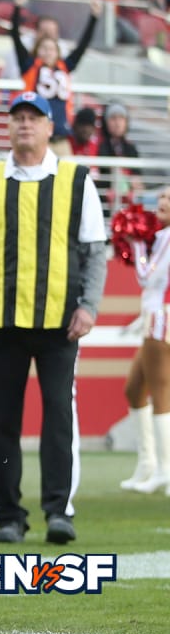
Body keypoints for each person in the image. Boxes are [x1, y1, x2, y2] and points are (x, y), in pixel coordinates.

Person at [0, 91, 108, 545]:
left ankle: (60, 510)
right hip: (1, 319)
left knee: (58, 415)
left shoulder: (77, 180)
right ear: (9, 127)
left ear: (50, 127)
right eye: (17, 118)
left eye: (33, 118)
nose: (24, 125)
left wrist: (89, 306)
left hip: (60, 323)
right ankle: (8, 515)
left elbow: (95, 252)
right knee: (0, 420)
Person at [120, 186, 170, 494]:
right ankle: (148, 462)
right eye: (162, 198)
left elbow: (146, 276)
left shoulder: (167, 238)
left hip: (160, 320)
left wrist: (135, 244)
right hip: (154, 317)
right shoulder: (163, 237)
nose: (162, 203)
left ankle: (165, 469)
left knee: (161, 394)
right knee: (134, 389)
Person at [10, 0, 100, 137]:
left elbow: (83, 45)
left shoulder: (65, 67)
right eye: (43, 48)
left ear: (57, 52)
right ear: (37, 51)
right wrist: (17, 8)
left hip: (60, 133)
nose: (47, 52)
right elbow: (15, 36)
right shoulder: (29, 66)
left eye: (51, 49)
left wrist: (94, 17)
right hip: (36, 134)